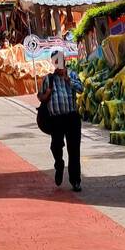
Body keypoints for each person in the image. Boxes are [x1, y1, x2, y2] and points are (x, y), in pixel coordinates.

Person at [38, 49, 83, 191]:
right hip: (56, 119)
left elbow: (81, 89)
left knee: (74, 149)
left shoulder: (73, 75)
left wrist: (68, 79)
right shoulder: (48, 79)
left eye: (61, 61)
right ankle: (59, 164)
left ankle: (75, 180)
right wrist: (47, 93)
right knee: (56, 146)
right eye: (56, 62)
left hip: (72, 117)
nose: (59, 65)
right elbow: (41, 97)